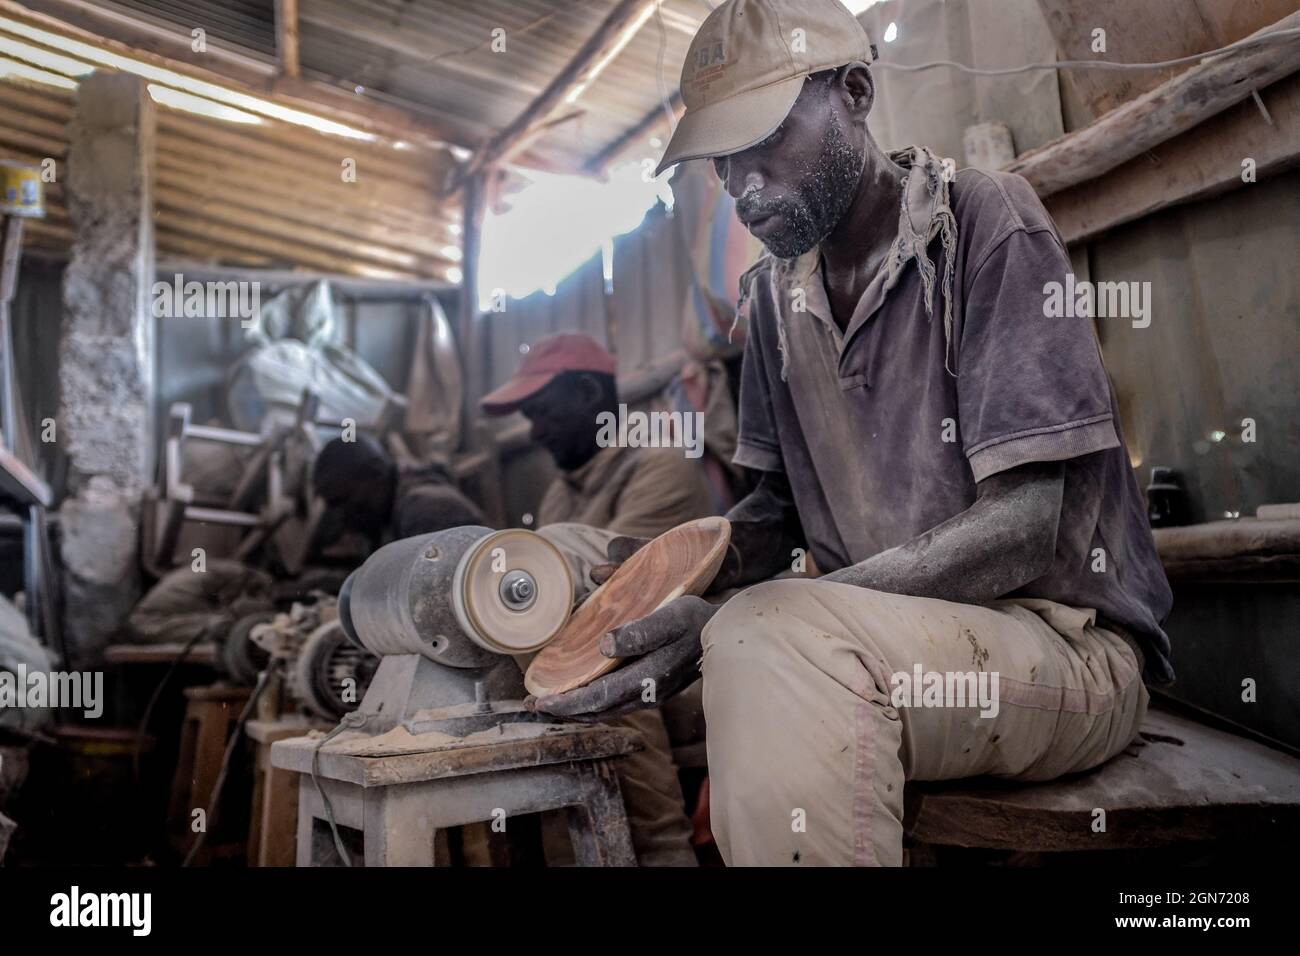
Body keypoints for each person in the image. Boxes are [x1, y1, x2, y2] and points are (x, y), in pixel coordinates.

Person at [529, 0, 1173, 867]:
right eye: (722, 160)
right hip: (884, 649)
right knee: (587, 568)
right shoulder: (771, 299)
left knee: (769, 642)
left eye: (764, 140)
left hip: (1062, 650)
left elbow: (1027, 527)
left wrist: (742, 616)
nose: (743, 185)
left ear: (857, 92)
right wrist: (651, 576)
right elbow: (777, 511)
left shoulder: (984, 224)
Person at [481, 332, 713, 866]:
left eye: (541, 412)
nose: (534, 431)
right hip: (602, 665)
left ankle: (662, 850)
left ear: (587, 392)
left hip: (682, 669)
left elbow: (613, 596)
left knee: (585, 640)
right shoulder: (562, 489)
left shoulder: (661, 466)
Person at [310, 434, 485, 553]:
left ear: (376, 473)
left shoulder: (428, 510)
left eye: (342, 501)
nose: (341, 516)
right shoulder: (388, 515)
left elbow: (441, 595)